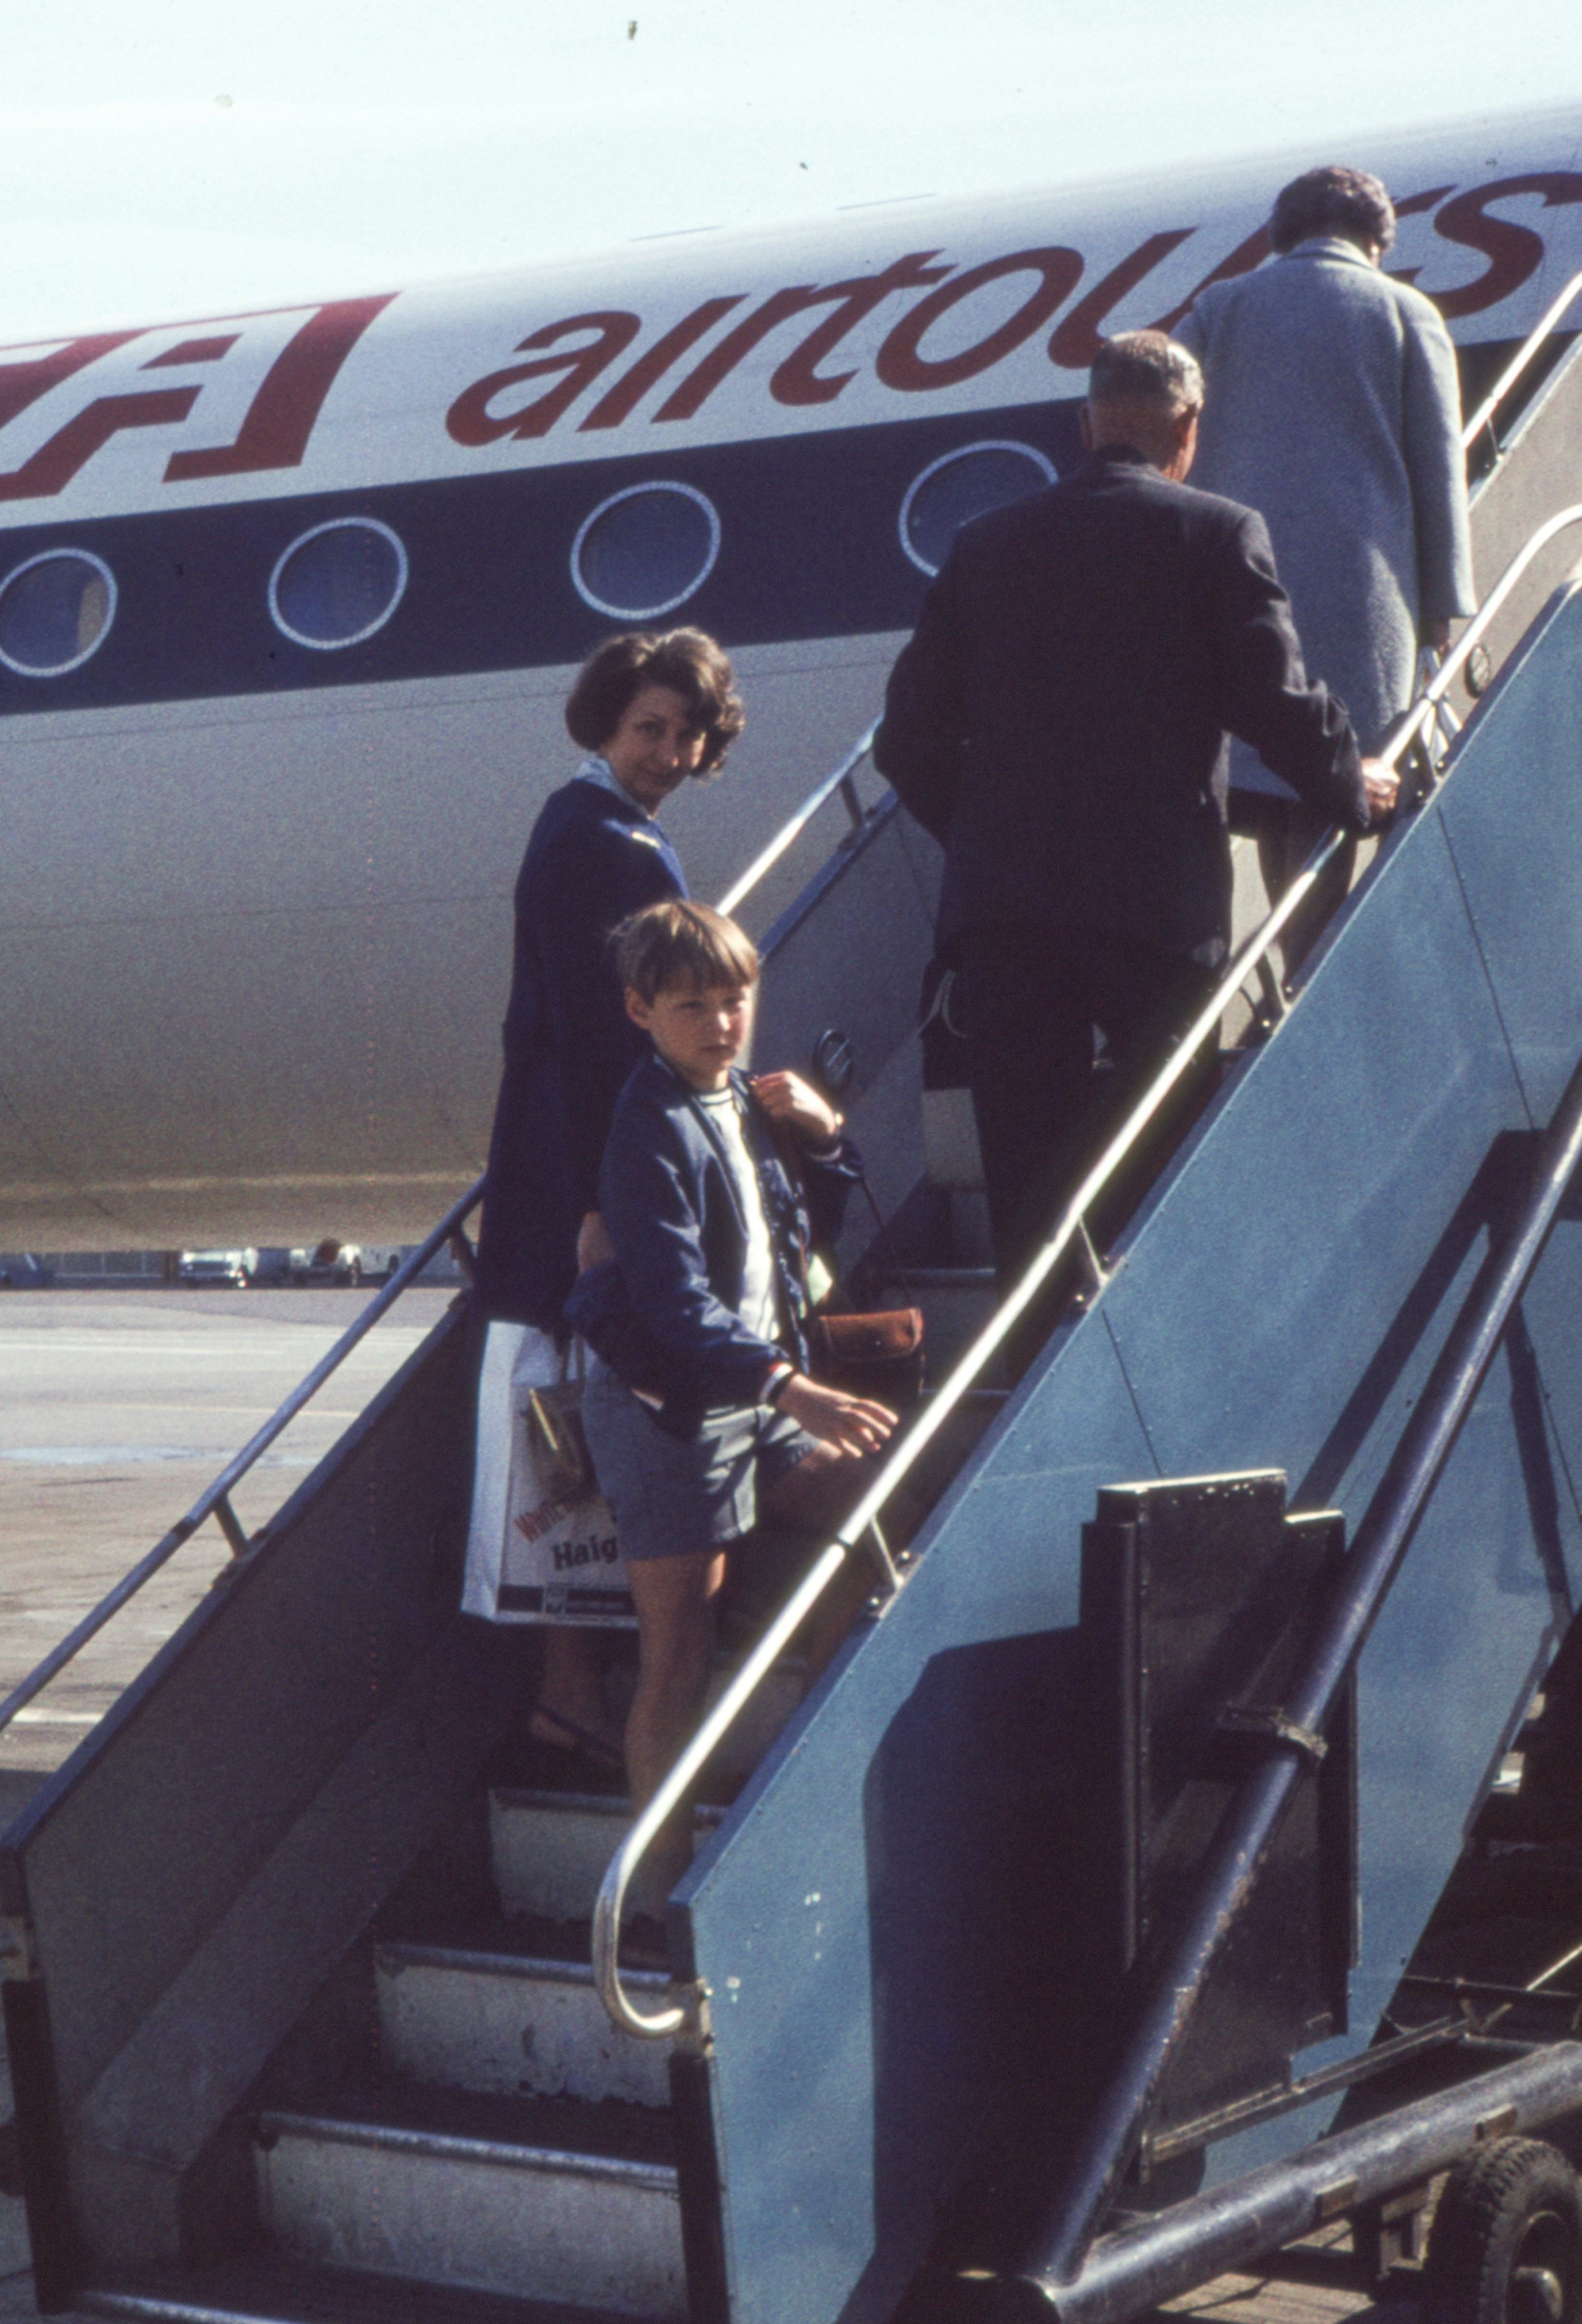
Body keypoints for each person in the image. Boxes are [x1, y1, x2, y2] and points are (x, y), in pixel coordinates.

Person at [874, 328, 1400, 1297]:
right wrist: (1351, 788)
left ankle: (1036, 1371)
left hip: (1007, 915)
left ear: (1086, 423)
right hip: (1154, 906)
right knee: (1166, 1144)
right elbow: (1274, 699)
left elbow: (902, 743)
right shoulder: (1217, 531)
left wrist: (992, 842)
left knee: (1030, 1177)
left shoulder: (984, 545)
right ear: (1188, 427)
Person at [566, 900, 900, 1919]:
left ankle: (801, 1769)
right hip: (671, 1408)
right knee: (678, 1649)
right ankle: (655, 1891)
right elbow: (671, 1304)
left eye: (734, 1000)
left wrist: (828, 1133)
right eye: (691, 1006)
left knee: (873, 1505)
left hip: (752, 1388)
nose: (719, 1023)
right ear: (641, 1010)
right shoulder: (648, 1125)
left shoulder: (738, 1098)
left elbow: (805, 1238)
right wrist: (789, 1385)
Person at [466, 629, 746, 1763]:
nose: (669, 752)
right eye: (649, 729)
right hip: (581, 1173)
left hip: (540, 1161)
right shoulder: (611, 846)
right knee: (582, 1428)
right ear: (604, 723)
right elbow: (595, 1042)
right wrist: (597, 1199)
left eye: (688, 734)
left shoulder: (571, 820)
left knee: (558, 1432)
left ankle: (571, 1686)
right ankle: (573, 1686)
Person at [1173, 165, 1475, 963]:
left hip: (1233, 593)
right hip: (1361, 602)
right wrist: (1445, 608)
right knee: (1336, 787)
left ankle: (1274, 967)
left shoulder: (1219, 306)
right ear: (1378, 239)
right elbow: (1438, 473)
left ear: (1283, 234)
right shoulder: (1407, 311)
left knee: (1253, 784)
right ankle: (1319, 970)